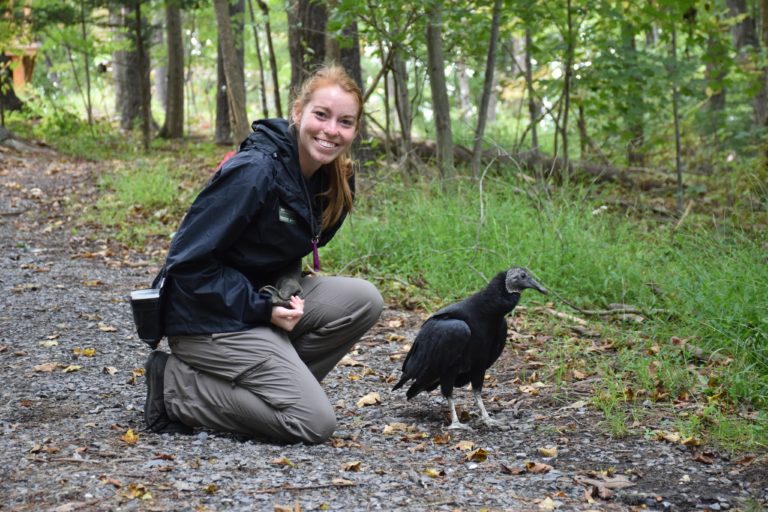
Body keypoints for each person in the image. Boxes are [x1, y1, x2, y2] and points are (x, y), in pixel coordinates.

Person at [143, 65, 384, 444]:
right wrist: (261, 307)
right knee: (314, 424)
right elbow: (187, 266)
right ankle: (175, 386)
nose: (331, 130)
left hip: (257, 305)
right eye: (321, 115)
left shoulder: (332, 178)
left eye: (345, 122)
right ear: (298, 111)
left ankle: (272, 388)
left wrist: (277, 295)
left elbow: (288, 249)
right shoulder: (255, 171)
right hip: (205, 319)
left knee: (364, 300)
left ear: (355, 130)